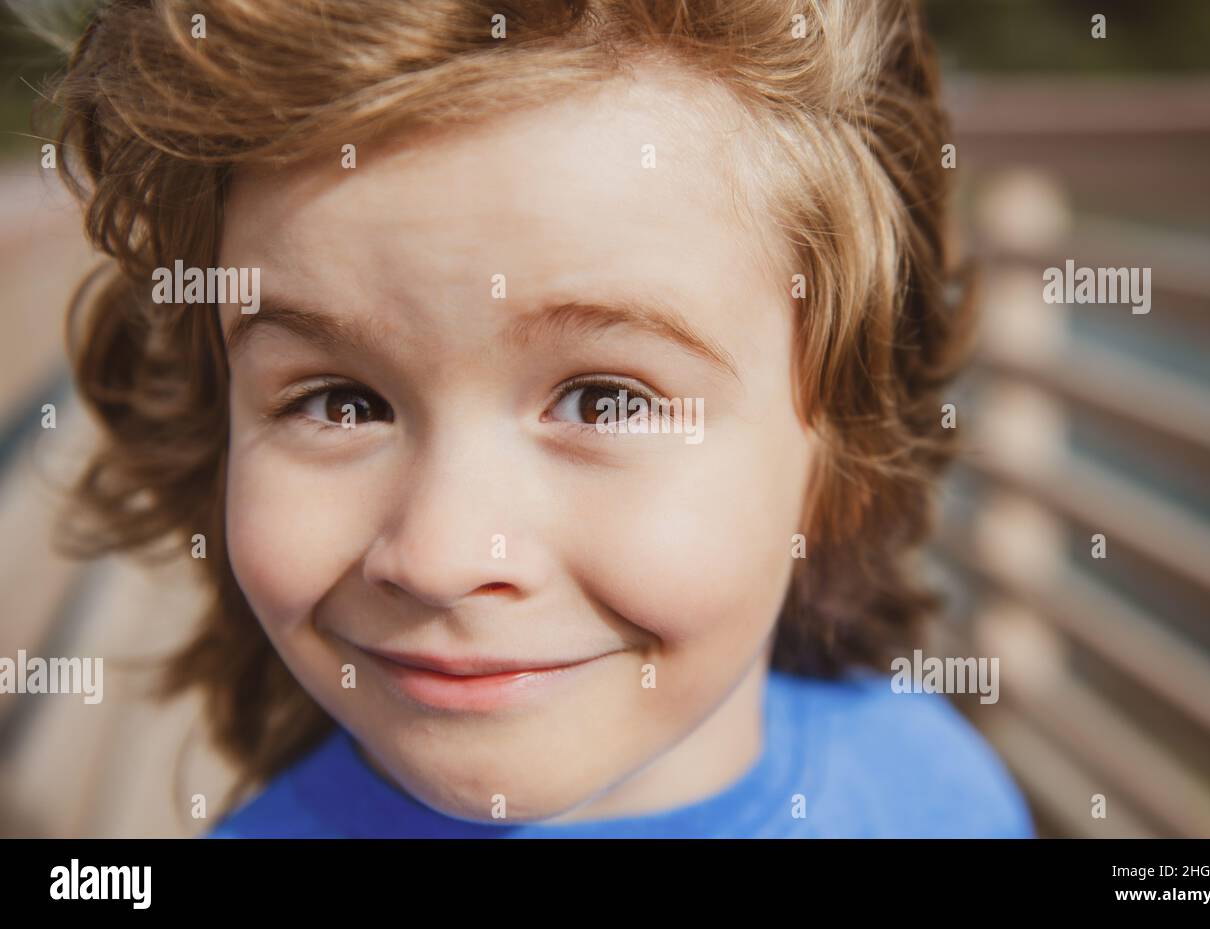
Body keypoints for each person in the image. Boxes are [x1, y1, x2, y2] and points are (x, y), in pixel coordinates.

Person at [50, 0, 1033, 838]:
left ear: (841, 454)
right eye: (339, 400)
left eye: (604, 399)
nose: (437, 555)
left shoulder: (938, 789)